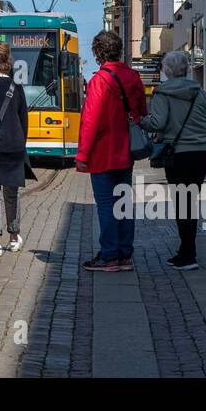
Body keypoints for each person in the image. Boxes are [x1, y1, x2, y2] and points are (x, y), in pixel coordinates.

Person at [139, 50, 206, 271]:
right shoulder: (199, 92)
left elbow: (157, 123)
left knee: (182, 204)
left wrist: (140, 121)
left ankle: (189, 255)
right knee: (189, 202)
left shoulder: (162, 93)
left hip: (179, 154)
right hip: (201, 153)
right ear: (185, 69)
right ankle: (185, 251)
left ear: (167, 70)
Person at [76, 30, 146, 272]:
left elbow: (90, 121)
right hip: (126, 152)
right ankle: (125, 254)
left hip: (103, 154)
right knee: (124, 203)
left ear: (97, 52)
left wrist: (82, 155)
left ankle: (109, 256)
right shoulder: (134, 76)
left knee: (106, 205)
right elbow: (141, 113)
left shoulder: (99, 81)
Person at [0, 40, 30, 257]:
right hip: (14, 146)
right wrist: (20, 142)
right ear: (8, 60)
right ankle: (14, 238)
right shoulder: (16, 87)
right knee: (12, 193)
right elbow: (23, 119)